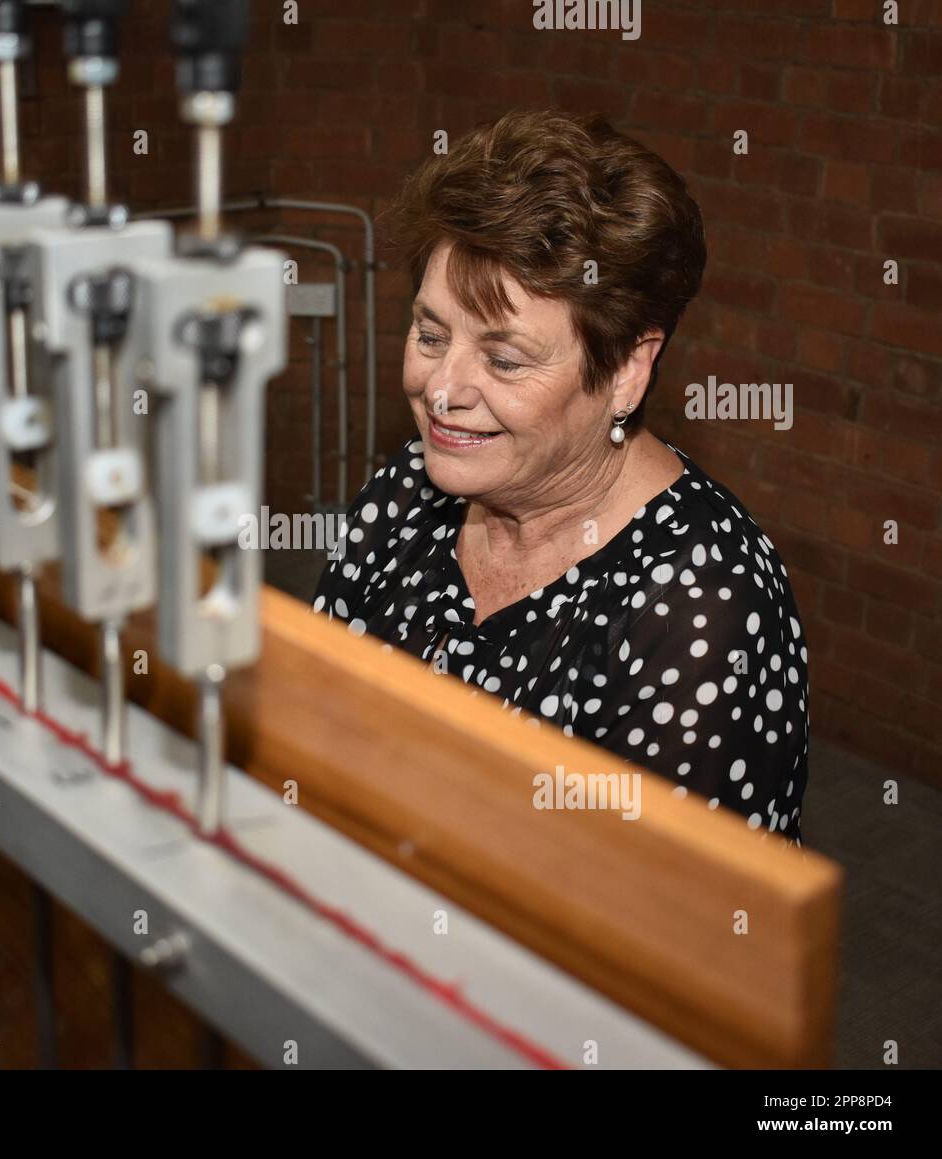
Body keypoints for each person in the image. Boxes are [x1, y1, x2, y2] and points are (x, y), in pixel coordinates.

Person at [313, 109, 809, 842]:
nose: (443, 389)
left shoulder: (700, 611)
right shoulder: (410, 489)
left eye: (504, 360)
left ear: (627, 371)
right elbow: (315, 726)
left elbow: (638, 926)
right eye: (429, 333)